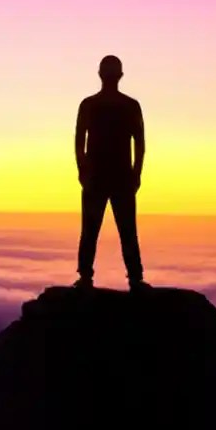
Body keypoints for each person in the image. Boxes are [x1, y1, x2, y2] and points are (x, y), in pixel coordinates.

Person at [74, 55, 148, 290]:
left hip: (99, 177)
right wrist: (136, 173)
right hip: (120, 178)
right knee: (127, 230)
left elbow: (78, 142)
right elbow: (140, 143)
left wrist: (83, 170)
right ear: (120, 76)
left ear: (100, 75)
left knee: (91, 229)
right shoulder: (130, 105)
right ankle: (135, 279)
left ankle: (86, 277)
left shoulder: (89, 104)